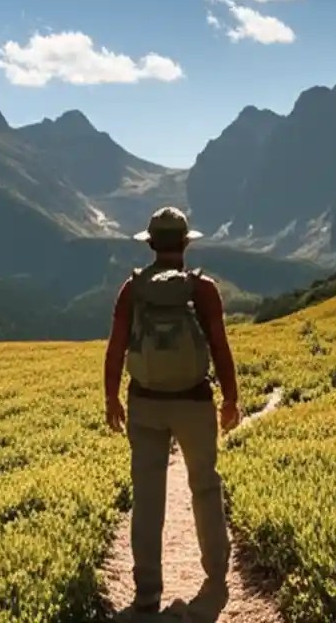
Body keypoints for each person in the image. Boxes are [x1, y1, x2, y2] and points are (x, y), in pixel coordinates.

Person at [103, 206, 241, 620]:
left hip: (145, 402)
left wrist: (112, 399)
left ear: (150, 244)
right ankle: (215, 577)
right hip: (195, 401)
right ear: (183, 244)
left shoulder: (132, 289)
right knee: (205, 486)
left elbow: (116, 348)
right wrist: (231, 398)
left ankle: (147, 593)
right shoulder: (203, 289)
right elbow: (219, 346)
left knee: (147, 498)